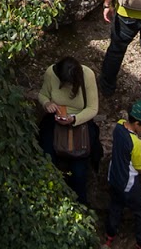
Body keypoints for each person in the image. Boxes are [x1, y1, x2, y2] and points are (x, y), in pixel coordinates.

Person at [36, 55, 100, 206]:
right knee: (48, 159)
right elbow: (43, 94)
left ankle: (80, 205)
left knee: (79, 171)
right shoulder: (51, 73)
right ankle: (50, 200)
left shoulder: (88, 75)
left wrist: (74, 119)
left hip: (79, 121)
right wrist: (47, 104)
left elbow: (92, 108)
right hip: (55, 121)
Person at [104, 99, 141, 249]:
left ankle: (110, 236)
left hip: (113, 177)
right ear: (137, 123)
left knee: (115, 207)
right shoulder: (135, 144)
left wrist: (140, 143)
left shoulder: (119, 125)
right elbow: (139, 167)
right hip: (127, 183)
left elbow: (127, 140)